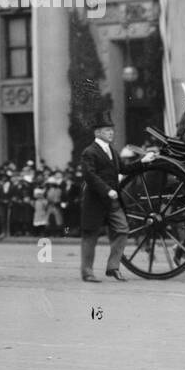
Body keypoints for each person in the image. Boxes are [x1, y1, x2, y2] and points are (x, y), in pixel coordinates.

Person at [78, 110, 129, 283]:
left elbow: (125, 169)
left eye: (112, 130)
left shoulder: (112, 151)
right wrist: (108, 190)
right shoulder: (89, 152)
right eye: (108, 130)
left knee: (123, 229)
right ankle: (87, 272)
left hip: (111, 202)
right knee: (90, 236)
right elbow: (90, 176)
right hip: (95, 202)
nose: (111, 133)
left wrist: (143, 162)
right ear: (97, 132)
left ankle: (113, 267)